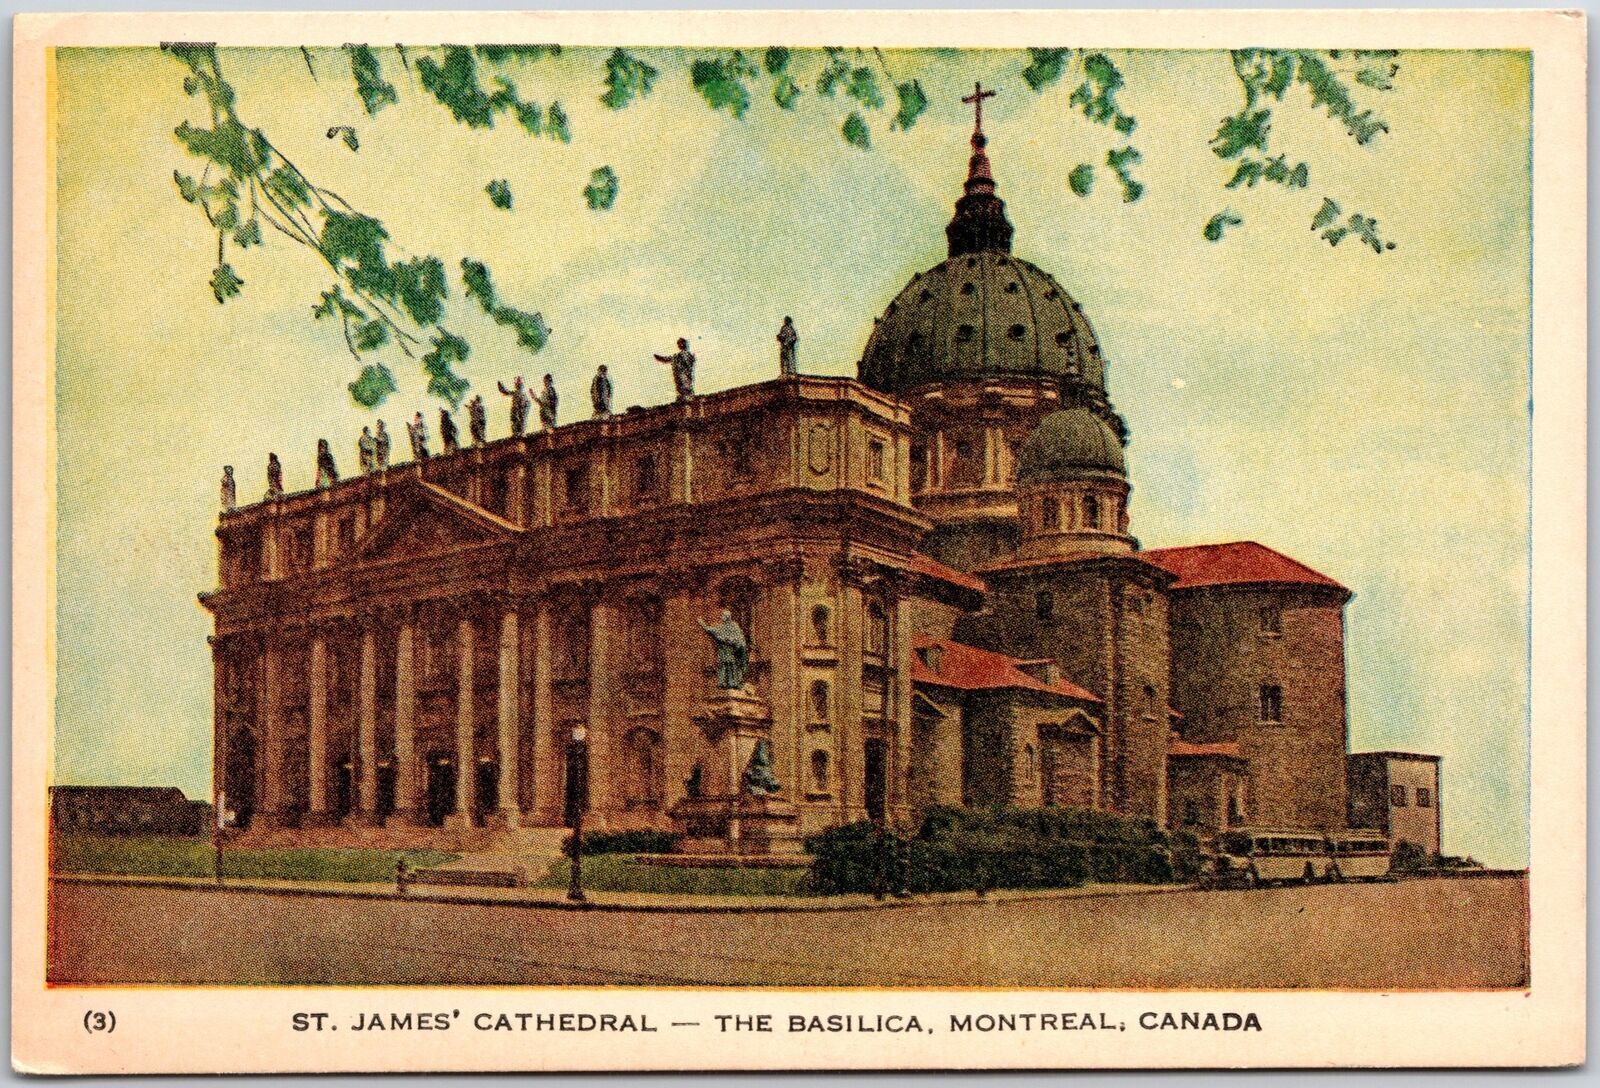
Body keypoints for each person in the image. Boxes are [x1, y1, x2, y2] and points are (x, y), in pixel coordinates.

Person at [698, 608, 749, 690]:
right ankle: (723, 683)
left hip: (732, 650)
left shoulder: (734, 626)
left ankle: (734, 683)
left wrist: (732, 641)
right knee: (724, 664)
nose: (722, 617)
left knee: (731, 664)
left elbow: (739, 638)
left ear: (728, 617)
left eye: (724, 616)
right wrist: (702, 624)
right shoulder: (720, 627)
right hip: (723, 650)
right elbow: (710, 630)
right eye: (722, 615)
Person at [654, 337, 695, 402]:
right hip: (679, 377)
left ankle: (687, 400)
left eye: (682, 343)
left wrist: (660, 358)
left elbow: (688, 364)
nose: (680, 345)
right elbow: (666, 359)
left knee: (686, 388)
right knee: (681, 389)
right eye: (679, 344)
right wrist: (658, 357)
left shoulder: (686, 355)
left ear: (685, 344)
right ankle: (683, 399)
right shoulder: (677, 356)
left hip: (684, 376)